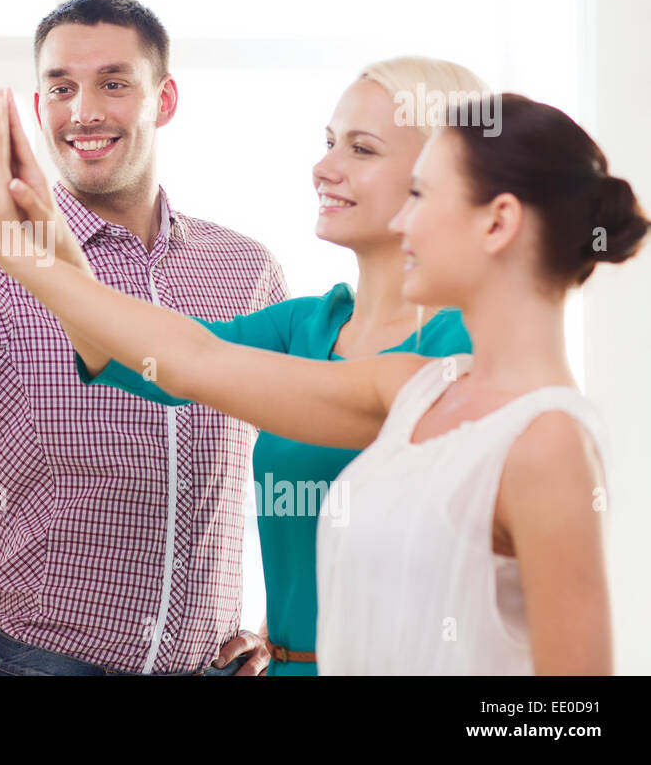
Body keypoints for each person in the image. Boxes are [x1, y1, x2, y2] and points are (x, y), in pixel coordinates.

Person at [0, 90, 647, 674]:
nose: (401, 219)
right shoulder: (409, 389)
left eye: (420, 195)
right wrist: (35, 247)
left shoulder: (547, 443)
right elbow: (190, 358)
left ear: (497, 222)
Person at [0, 0, 287, 675]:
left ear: (164, 100)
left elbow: (291, 452)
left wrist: (274, 625)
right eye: (61, 88)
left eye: (113, 83)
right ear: (39, 104)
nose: (83, 112)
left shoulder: (245, 269)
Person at [78, 57, 484, 674]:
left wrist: (32, 252)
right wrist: (37, 234)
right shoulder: (303, 326)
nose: (324, 168)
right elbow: (138, 358)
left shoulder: (465, 348)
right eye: (329, 142)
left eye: (361, 149)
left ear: (442, 177)